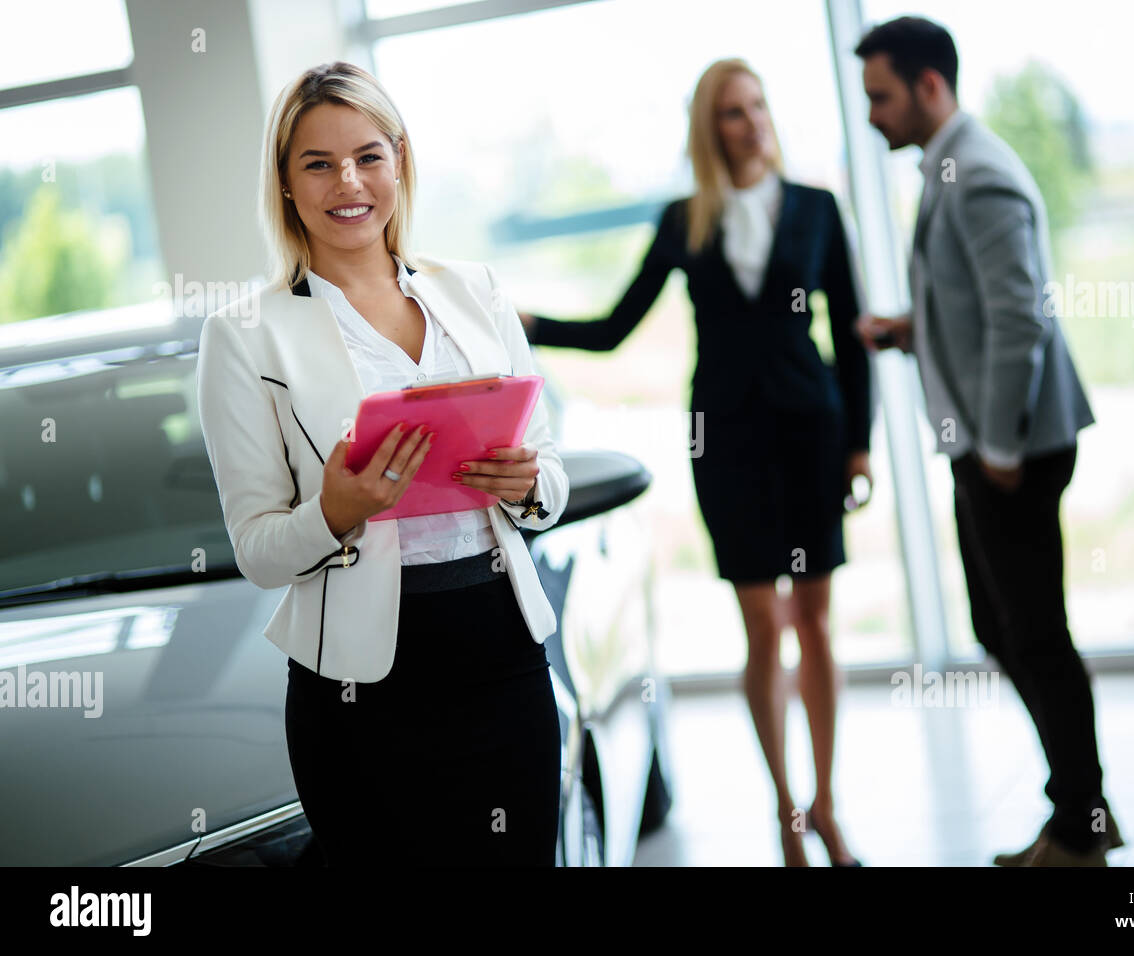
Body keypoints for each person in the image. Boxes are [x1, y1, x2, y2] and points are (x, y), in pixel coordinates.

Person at [195, 62, 568, 866]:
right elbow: (258, 550)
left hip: (504, 655)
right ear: (286, 184)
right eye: (318, 164)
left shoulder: (475, 291)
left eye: (368, 155)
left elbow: (552, 469)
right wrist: (334, 510)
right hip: (362, 693)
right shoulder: (245, 335)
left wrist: (531, 483)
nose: (349, 183)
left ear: (399, 158)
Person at [519, 59, 874, 866]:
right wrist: (529, 322)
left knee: (815, 620)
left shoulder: (816, 208)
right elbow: (614, 328)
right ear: (708, 127)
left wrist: (860, 445)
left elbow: (850, 333)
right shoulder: (685, 219)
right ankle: (786, 811)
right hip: (726, 440)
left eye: (756, 106)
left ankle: (827, 804)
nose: (749, 123)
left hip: (811, 431)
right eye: (731, 112)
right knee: (763, 623)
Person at [853, 17, 1121, 865]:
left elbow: (1019, 318)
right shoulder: (951, 164)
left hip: (1015, 449)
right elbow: (979, 303)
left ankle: (1079, 824)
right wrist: (913, 327)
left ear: (930, 86)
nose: (871, 116)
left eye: (880, 97)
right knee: (1004, 628)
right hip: (992, 444)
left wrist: (999, 445)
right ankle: (1082, 808)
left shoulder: (978, 174)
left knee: (1034, 634)